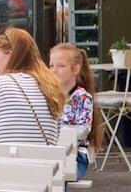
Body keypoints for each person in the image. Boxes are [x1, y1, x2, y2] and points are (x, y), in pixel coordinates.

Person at [50, 43, 102, 180]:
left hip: (75, 155)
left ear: (75, 69)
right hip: (51, 152)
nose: (54, 70)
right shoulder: (47, 95)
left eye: (60, 66)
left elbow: (82, 131)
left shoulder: (82, 97)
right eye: (51, 66)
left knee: (59, 174)